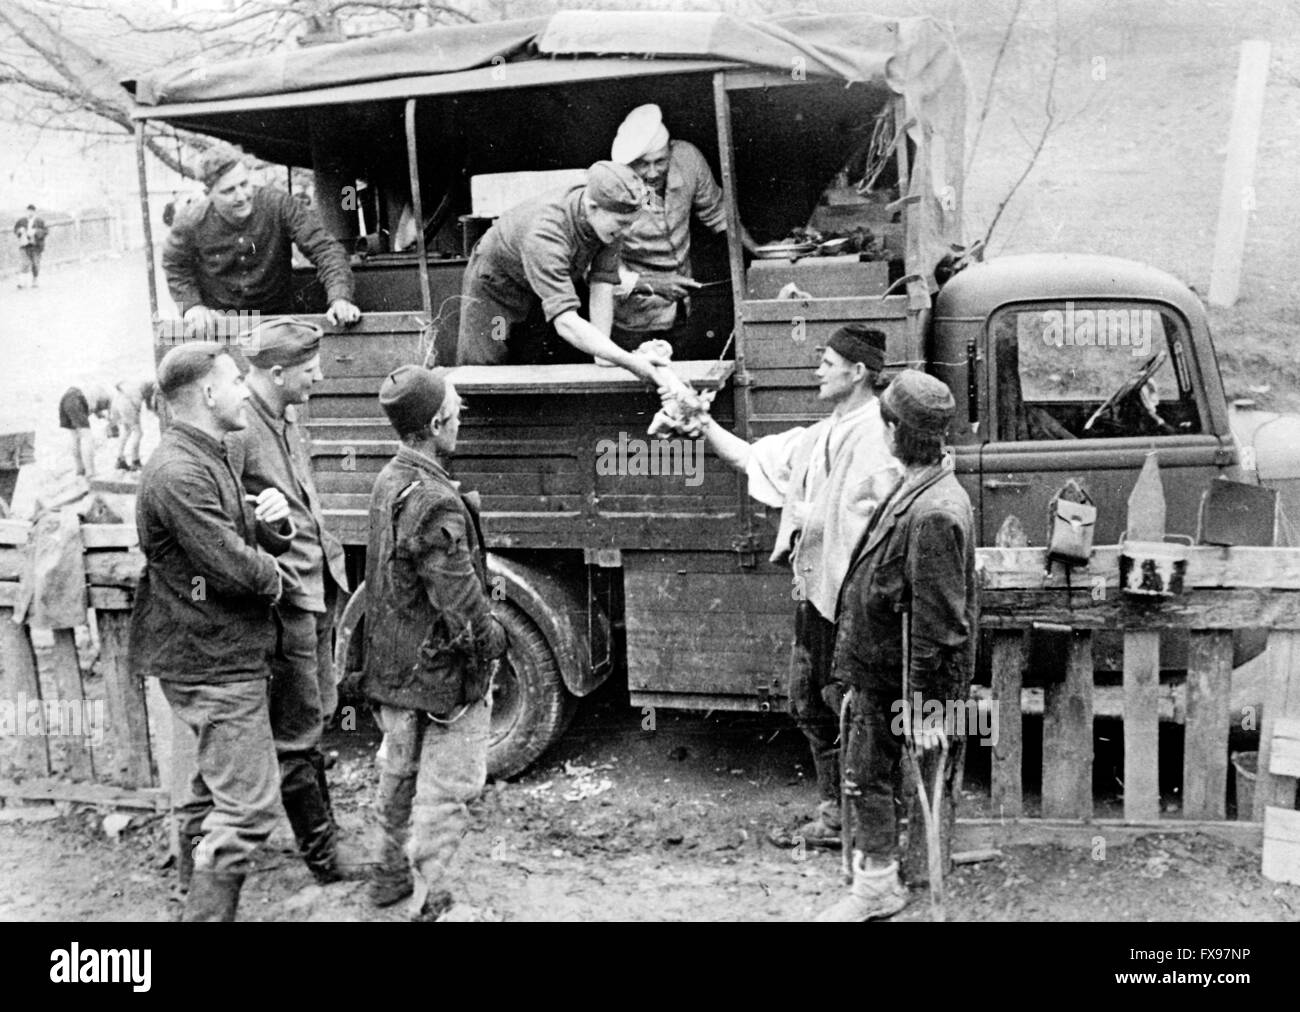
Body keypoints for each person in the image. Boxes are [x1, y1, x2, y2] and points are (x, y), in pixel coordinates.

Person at [693, 325, 900, 848]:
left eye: (827, 363)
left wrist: (810, 517)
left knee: (852, 708)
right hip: (816, 596)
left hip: (857, 604)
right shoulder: (821, 434)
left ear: (857, 373)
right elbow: (752, 458)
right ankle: (838, 816)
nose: (817, 371)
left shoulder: (879, 435)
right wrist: (699, 422)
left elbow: (872, 524)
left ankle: (869, 823)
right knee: (808, 702)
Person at [129, 342, 294, 921]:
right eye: (235, 381)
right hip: (213, 661)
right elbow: (226, 564)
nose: (246, 390)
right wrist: (275, 576)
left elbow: (231, 531)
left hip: (211, 652)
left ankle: (187, 898)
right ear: (207, 394)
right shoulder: (178, 471)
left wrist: (271, 528)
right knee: (248, 809)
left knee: (206, 792)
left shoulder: (204, 455)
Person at [818, 370, 976, 921]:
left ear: (893, 429)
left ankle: (879, 888)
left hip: (901, 679)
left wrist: (924, 705)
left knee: (870, 777)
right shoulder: (917, 483)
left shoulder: (935, 511)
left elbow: (939, 622)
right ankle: (877, 880)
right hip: (881, 668)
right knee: (865, 774)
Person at [360, 364, 507, 921]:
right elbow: (463, 609)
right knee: (448, 793)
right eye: (456, 408)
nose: (461, 414)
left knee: (398, 775)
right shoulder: (436, 501)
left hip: (395, 672)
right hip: (443, 680)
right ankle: (430, 903)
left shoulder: (389, 480)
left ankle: (387, 880)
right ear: (437, 421)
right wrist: (494, 645)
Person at [224, 316, 355, 884]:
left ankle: (324, 831)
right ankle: (323, 858)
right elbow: (223, 516)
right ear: (276, 373)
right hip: (289, 598)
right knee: (298, 729)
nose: (319, 376)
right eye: (309, 369)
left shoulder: (286, 414)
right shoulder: (237, 430)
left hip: (317, 583)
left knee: (320, 712)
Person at [455, 160, 696, 407]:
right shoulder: (546, 233)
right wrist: (631, 362)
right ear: (592, 207)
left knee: (530, 366)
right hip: (497, 295)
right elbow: (566, 322)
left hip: (537, 294)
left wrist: (604, 355)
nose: (625, 232)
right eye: (621, 224)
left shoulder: (608, 219)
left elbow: (602, 284)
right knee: (483, 373)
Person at [163, 143, 361, 338]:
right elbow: (175, 264)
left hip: (278, 319)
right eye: (228, 191)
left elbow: (325, 249)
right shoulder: (190, 222)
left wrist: (340, 298)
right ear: (209, 194)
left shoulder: (279, 204)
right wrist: (192, 306)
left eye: (244, 184)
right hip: (220, 324)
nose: (241, 196)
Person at [608, 103, 756, 351]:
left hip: (681, 309)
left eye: (660, 161)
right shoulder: (611, 188)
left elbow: (718, 212)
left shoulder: (687, 158)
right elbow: (598, 268)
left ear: (671, 149)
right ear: (628, 165)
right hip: (632, 317)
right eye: (643, 164)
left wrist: (757, 250)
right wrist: (650, 283)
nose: (653, 173)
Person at [57, 381, 113, 479]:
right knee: (88, 438)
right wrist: (112, 422)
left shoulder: (98, 390)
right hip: (77, 400)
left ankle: (80, 469)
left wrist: (102, 416)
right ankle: (91, 471)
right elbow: (111, 414)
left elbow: (95, 406)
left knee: (75, 437)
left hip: (66, 398)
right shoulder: (112, 397)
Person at [110, 378, 158, 472]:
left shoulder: (142, 382)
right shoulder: (155, 385)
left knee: (127, 431)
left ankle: (120, 459)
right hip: (129, 402)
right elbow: (150, 404)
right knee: (138, 433)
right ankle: (135, 461)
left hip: (118, 401)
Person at [14, 204, 48, 288]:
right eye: (28, 211)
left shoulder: (40, 221)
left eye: (32, 211)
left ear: (35, 212)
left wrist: (36, 231)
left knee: (35, 264)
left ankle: (35, 280)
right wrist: (20, 231)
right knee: (24, 263)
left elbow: (46, 231)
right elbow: (15, 229)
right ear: (26, 211)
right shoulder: (21, 220)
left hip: (36, 246)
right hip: (24, 245)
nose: (30, 213)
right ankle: (22, 282)